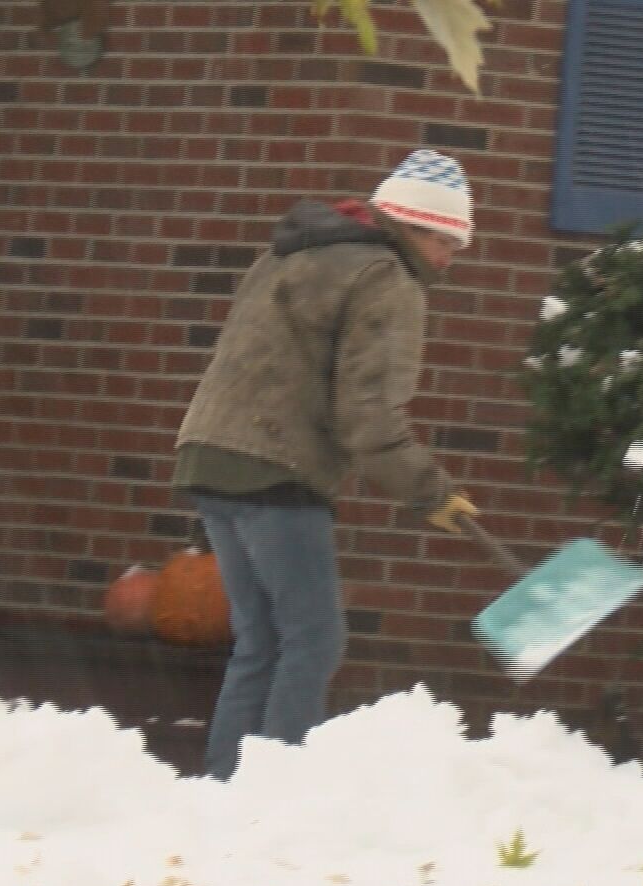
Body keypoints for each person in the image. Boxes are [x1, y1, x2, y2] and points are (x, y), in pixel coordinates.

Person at [172, 149, 481, 780]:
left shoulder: (295, 251)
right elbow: (369, 417)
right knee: (313, 639)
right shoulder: (385, 279)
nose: (450, 259)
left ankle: (224, 784)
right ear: (416, 227)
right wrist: (432, 493)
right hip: (277, 469)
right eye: (448, 241)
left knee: (259, 640)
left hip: (210, 454)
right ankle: (274, 788)